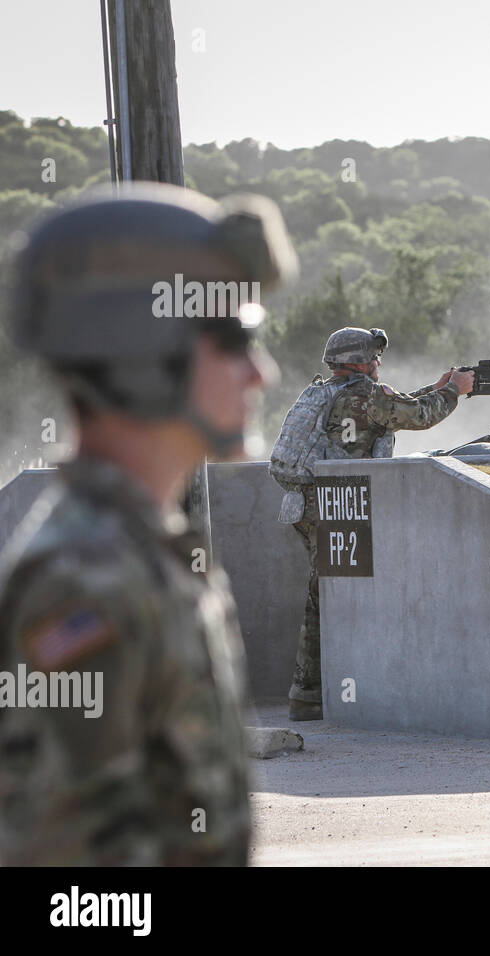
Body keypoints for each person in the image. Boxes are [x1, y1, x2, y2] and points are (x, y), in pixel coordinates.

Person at [0, 183, 296, 865]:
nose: (261, 372)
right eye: (232, 339)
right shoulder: (85, 583)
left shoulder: (143, 553)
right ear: (139, 352)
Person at [269, 328, 473, 720]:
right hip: (335, 506)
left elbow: (390, 410)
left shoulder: (331, 391)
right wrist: (454, 392)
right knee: (333, 598)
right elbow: (420, 415)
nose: (379, 363)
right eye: (374, 357)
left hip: (307, 503)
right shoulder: (365, 394)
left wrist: (436, 386)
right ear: (360, 361)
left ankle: (311, 694)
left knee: (323, 594)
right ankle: (314, 695)